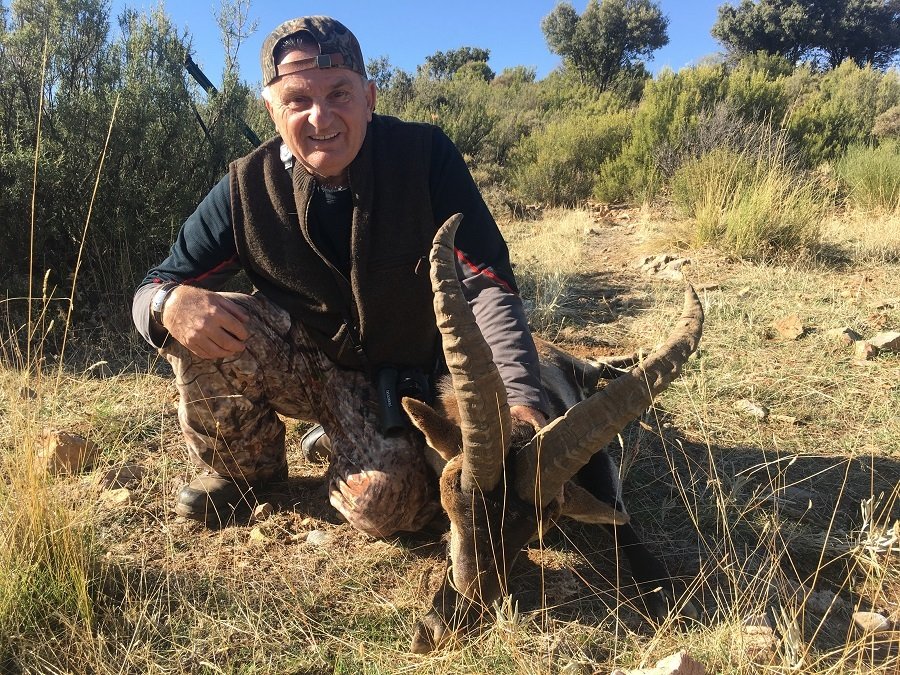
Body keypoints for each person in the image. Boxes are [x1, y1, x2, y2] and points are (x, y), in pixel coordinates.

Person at [133, 15, 548, 535]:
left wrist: (520, 401)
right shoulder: (245, 187)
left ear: (370, 97)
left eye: (339, 94)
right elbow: (156, 283)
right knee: (191, 312)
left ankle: (358, 446)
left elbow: (486, 281)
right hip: (311, 364)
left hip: (414, 378)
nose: (320, 116)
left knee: (381, 506)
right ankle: (246, 476)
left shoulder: (425, 158)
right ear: (271, 110)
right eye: (297, 100)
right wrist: (167, 305)